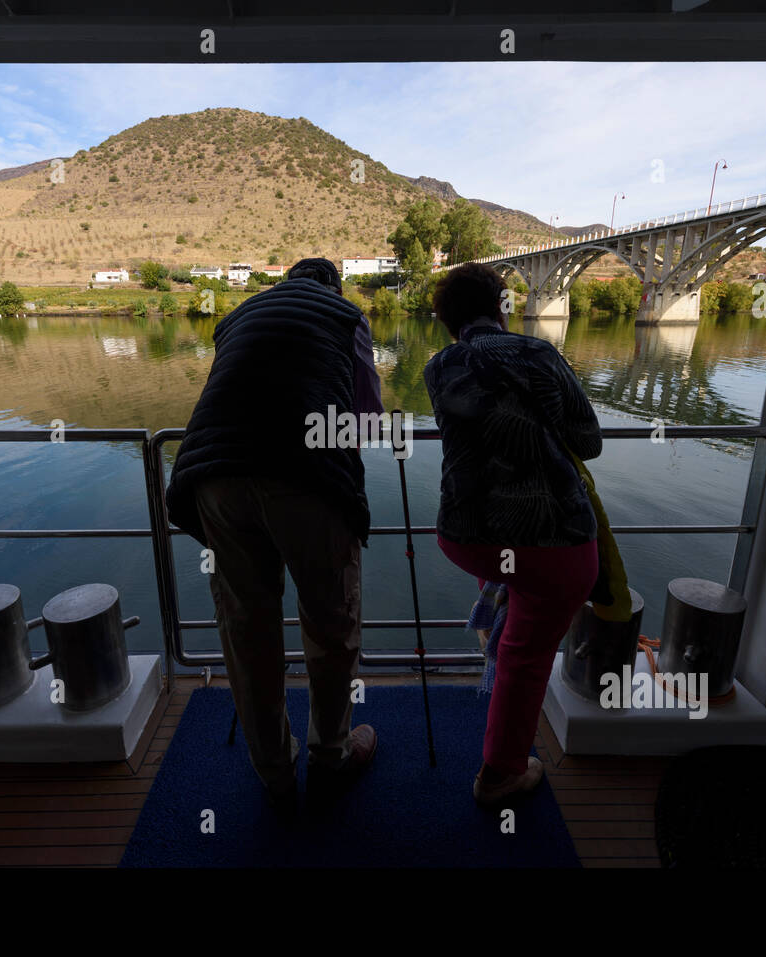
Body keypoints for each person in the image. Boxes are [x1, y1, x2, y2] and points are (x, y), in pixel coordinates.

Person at [165, 258, 382, 810]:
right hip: (306, 476)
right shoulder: (345, 315)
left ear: (285, 283)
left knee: (247, 627)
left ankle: (274, 772)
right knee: (331, 623)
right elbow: (368, 421)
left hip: (212, 475)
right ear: (334, 285)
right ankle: (331, 755)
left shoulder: (237, 315)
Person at [423, 263, 603, 805]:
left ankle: (497, 611)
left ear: (445, 322)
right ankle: (500, 774)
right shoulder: (538, 354)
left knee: (511, 576)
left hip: (465, 537)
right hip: (554, 542)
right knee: (527, 656)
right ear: (502, 306)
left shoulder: (437, 369)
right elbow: (588, 440)